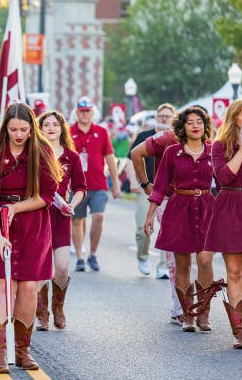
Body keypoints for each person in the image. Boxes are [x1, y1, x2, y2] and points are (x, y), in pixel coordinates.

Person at [0, 102, 61, 373]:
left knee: (28, 288)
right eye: (13, 129)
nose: (19, 134)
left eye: (24, 129)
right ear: (5, 128)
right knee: (4, 286)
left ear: (32, 127)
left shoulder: (42, 150)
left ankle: (23, 350)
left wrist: (16, 208)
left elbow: (46, 196)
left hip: (33, 221)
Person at [143, 106, 215, 333]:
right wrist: (150, 214)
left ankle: (203, 312)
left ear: (205, 127)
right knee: (182, 265)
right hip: (178, 210)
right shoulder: (172, 152)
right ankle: (188, 315)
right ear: (182, 127)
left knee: (204, 261)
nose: (195, 125)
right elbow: (160, 185)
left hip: (206, 209)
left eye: (199, 122)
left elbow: (225, 183)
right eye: (190, 122)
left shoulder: (214, 151)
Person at [36, 111, 86, 331]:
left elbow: (81, 188)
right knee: (39, 269)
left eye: (55, 124)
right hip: (37, 213)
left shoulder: (71, 157)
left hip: (61, 214)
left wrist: (72, 205)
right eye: (46, 124)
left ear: (62, 128)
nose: (51, 128)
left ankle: (58, 307)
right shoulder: (35, 154)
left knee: (62, 268)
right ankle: (42, 313)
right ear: (40, 128)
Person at [204, 99, 242, 348]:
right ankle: (240, 330)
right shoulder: (220, 146)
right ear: (233, 118)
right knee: (235, 271)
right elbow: (224, 177)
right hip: (231, 204)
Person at [70, 96, 120, 272]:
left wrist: (115, 183)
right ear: (77, 112)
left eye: (88, 111)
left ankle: (92, 253)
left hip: (98, 183)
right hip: (76, 186)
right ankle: (79, 257)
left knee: (98, 217)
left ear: (92, 112)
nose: (84, 114)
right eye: (82, 111)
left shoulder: (101, 131)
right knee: (77, 220)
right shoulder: (69, 132)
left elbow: (110, 158)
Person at [128, 104, 176, 276]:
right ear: (156, 117)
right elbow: (130, 159)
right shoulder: (144, 136)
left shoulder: (177, 138)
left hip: (169, 191)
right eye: (161, 115)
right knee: (143, 227)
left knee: (168, 229)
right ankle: (142, 256)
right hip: (146, 187)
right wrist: (138, 182)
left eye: (167, 116)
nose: (164, 118)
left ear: (174, 119)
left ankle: (164, 266)